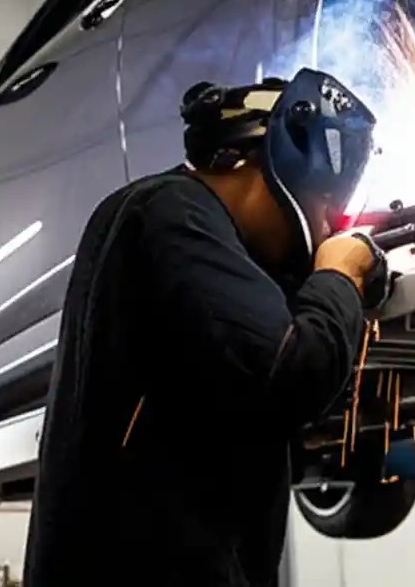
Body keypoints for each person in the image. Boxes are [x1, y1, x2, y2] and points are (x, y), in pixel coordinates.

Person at [22, 69, 394, 586]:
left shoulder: (172, 228)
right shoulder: (173, 213)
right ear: (282, 161)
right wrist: (339, 273)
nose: (330, 223)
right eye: (327, 206)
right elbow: (292, 369)